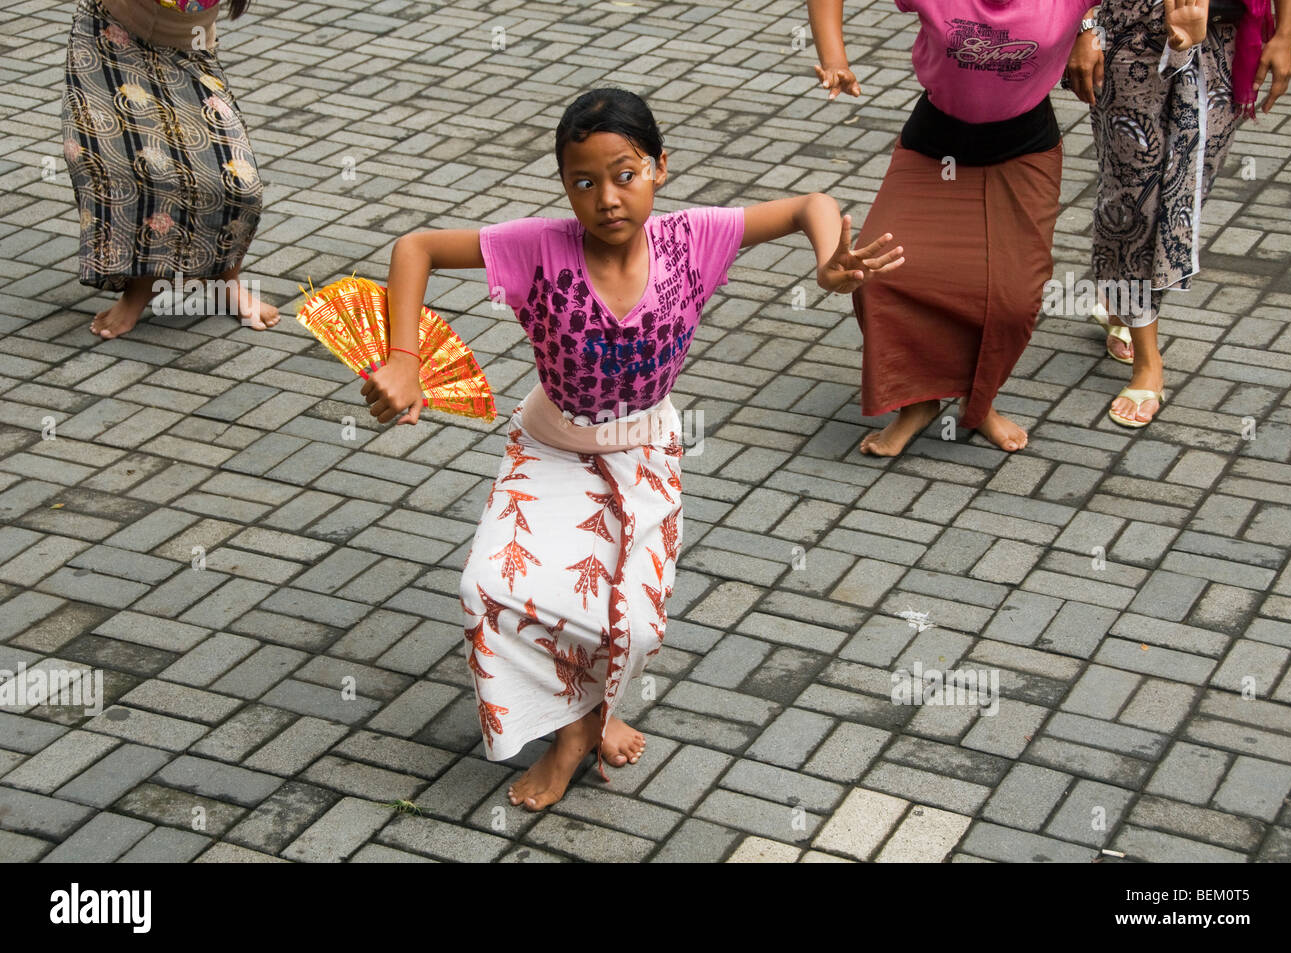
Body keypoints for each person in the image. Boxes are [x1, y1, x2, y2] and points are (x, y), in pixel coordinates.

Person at [361, 88, 903, 811]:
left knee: (633, 624)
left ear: (660, 168)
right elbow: (417, 247)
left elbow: (811, 201)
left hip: (644, 449)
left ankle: (592, 716)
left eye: (626, 173)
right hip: (550, 446)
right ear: (564, 186)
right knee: (489, 590)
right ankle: (577, 729)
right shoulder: (537, 247)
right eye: (583, 182)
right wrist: (405, 358)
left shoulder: (693, 238)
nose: (607, 197)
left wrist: (831, 258)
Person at [809, 0, 1128, 456]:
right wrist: (834, 56)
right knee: (876, 277)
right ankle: (917, 403)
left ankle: (979, 406)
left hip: (1024, 149)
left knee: (1013, 302)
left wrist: (1090, 29)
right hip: (935, 145)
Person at [1068, 0, 1291, 427]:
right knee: (1132, 198)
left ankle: (1119, 302)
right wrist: (1083, 27)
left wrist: (1285, 33)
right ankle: (1148, 362)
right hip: (1130, 34)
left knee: (1188, 188)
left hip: (1220, 39)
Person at [61, 0, 279, 339]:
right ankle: (139, 288)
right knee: (145, 173)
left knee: (239, 185)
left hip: (188, 48)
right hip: (111, 35)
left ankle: (226, 280)